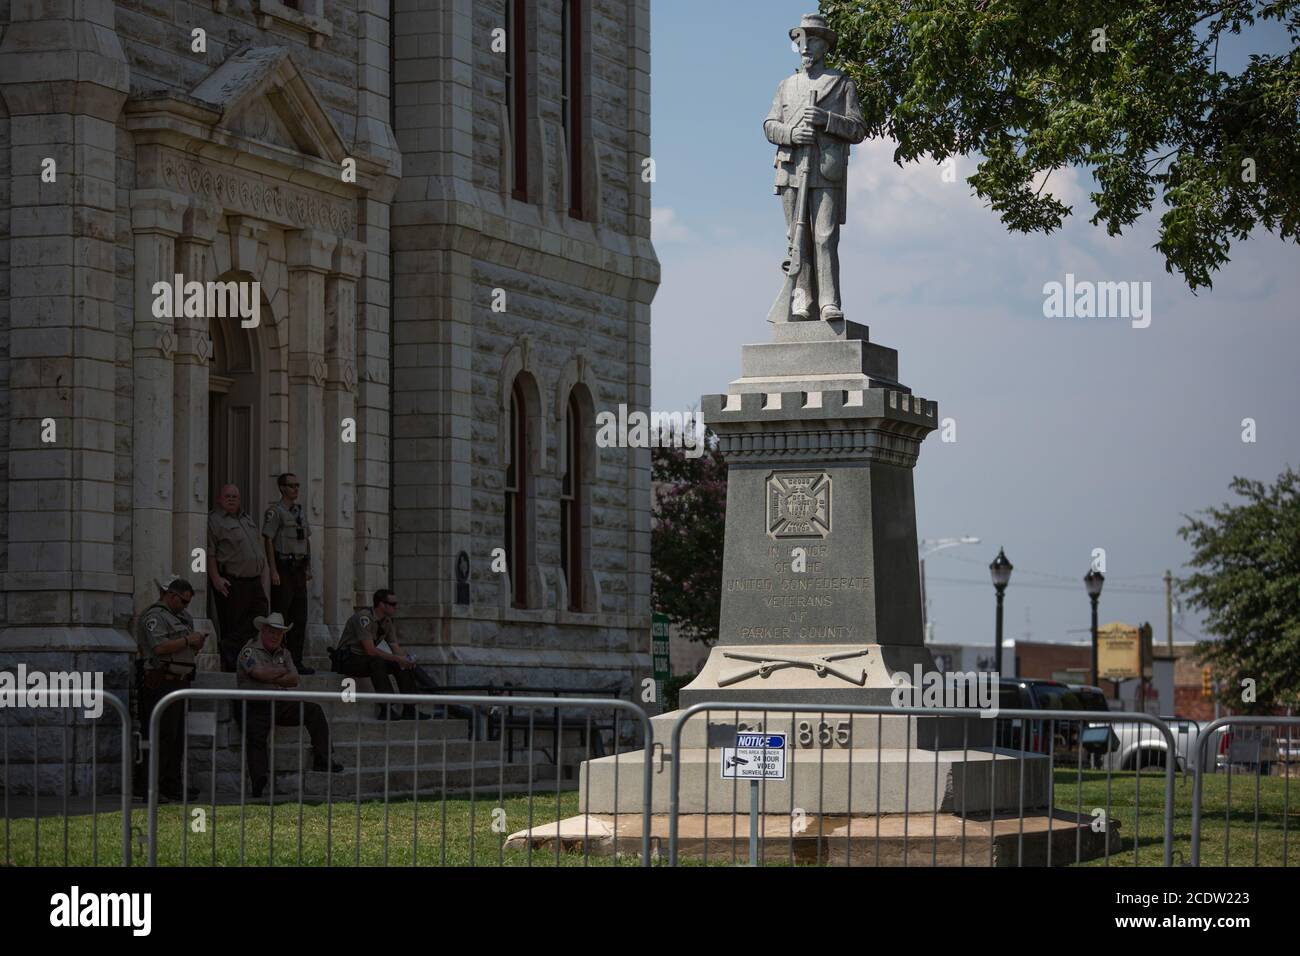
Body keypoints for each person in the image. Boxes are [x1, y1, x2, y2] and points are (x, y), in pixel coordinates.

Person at [764, 12, 865, 321]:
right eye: (800, 41)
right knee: (797, 238)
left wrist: (827, 121)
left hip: (825, 169)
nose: (805, 47)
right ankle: (801, 298)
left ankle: (829, 302)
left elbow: (858, 129)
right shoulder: (786, 86)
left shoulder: (842, 84)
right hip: (792, 168)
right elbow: (769, 125)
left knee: (824, 235)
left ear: (825, 46)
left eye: (812, 40)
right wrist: (792, 134)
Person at [236, 612, 342, 797]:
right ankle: (258, 783)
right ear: (263, 631)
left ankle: (323, 759)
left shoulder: (284, 652)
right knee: (256, 737)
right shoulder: (249, 650)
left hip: (279, 701)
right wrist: (281, 671)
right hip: (255, 703)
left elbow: (294, 679)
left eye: (280, 633)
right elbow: (258, 673)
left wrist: (272, 674)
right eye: (272, 632)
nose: (276, 636)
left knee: (313, 711)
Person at [135, 577, 204, 802]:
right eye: (183, 601)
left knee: (176, 738)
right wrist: (187, 640)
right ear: (172, 596)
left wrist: (196, 643)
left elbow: (185, 649)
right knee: (159, 736)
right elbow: (159, 647)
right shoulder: (154, 616)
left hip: (180, 681)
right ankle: (151, 787)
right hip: (160, 681)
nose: (185, 607)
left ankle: (171, 784)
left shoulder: (181, 617)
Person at [331, 589, 431, 721]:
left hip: (366, 660)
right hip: (348, 659)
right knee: (377, 660)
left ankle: (409, 708)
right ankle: (386, 708)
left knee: (399, 664)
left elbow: (394, 646)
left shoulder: (387, 621)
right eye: (392, 604)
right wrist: (398, 658)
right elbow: (370, 650)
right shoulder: (364, 618)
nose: (395, 607)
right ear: (381, 604)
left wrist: (406, 660)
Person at [208, 484, 269, 672]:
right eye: (227, 496)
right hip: (233, 581)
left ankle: (242, 656)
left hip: (254, 581)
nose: (232, 499)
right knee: (235, 624)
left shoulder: (247, 519)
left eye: (235, 496)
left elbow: (259, 550)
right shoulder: (214, 521)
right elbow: (208, 553)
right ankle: (232, 662)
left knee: (260, 620)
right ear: (220, 499)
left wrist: (264, 580)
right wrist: (215, 579)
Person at [262, 472, 314, 673]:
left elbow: (306, 540)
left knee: (299, 617)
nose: (296, 489)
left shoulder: (299, 512)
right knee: (281, 615)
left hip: (299, 569)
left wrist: (308, 567)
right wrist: (273, 570)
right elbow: (268, 539)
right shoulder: (275, 512)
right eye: (292, 486)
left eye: (297, 485)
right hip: (284, 567)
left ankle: (296, 661)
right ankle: (278, 659)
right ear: (282, 488)